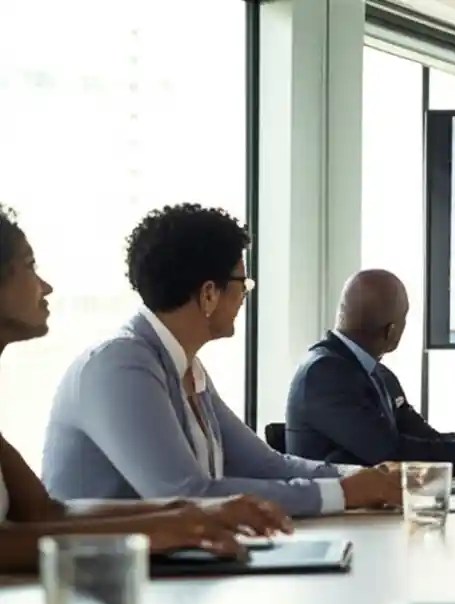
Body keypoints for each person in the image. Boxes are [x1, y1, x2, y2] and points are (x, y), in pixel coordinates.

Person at [41, 204, 401, 517]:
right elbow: (186, 495)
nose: (245, 295)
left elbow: (266, 465)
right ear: (209, 294)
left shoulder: (186, 367)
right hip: (104, 585)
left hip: (166, 572)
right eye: (242, 284)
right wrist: (346, 492)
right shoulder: (120, 366)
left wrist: (363, 478)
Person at [0, 204, 286, 571]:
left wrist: (181, 513)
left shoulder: (187, 368)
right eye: (29, 265)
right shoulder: (120, 362)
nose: (46, 286)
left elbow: (44, 511)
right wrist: (159, 529)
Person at [285, 269, 455, 473]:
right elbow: (392, 454)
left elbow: (425, 440)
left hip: (371, 515)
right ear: (392, 330)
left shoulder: (376, 373)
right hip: (342, 525)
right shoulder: (324, 373)